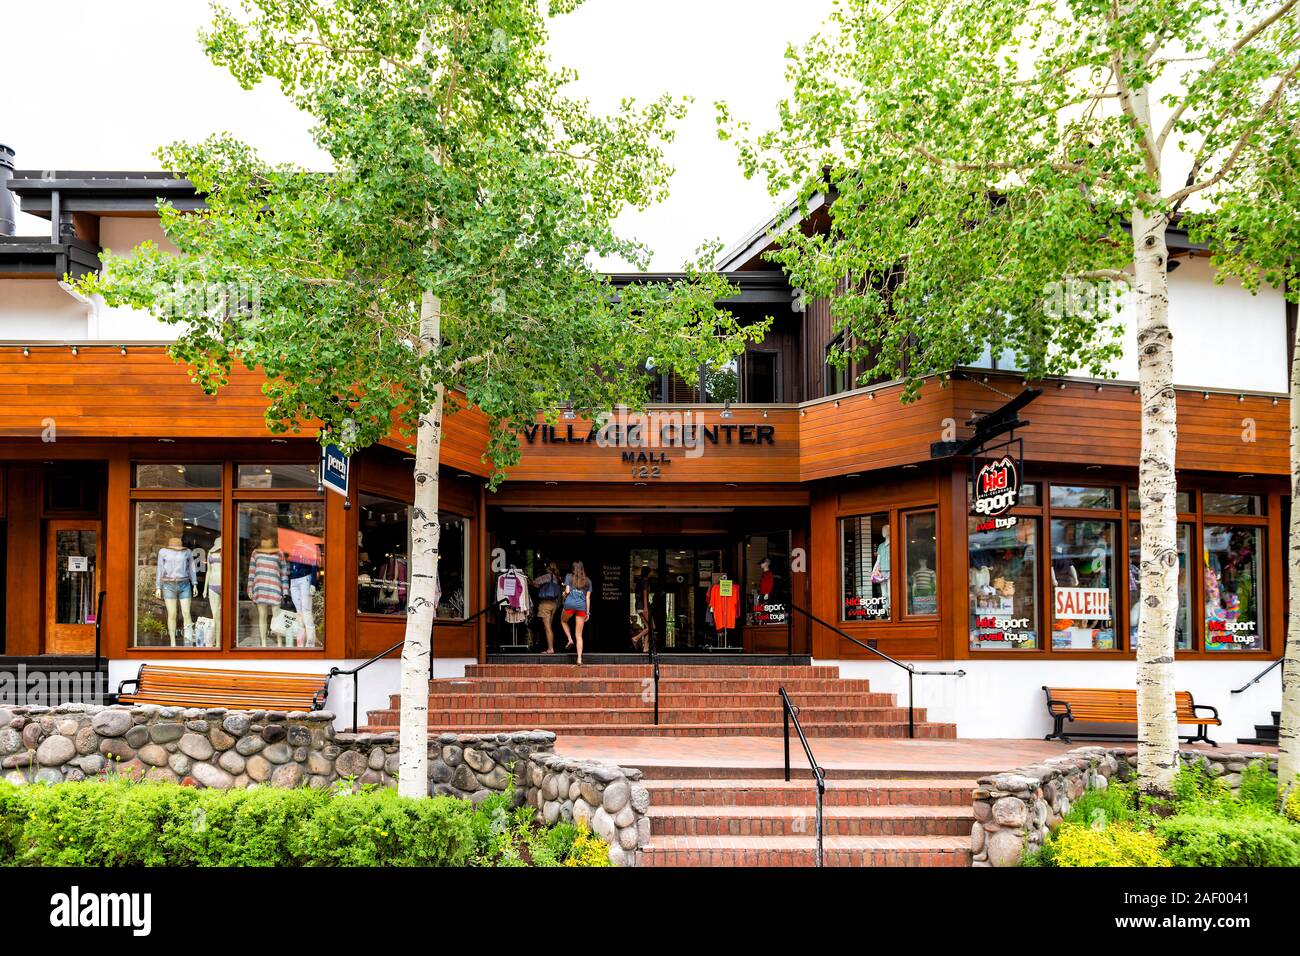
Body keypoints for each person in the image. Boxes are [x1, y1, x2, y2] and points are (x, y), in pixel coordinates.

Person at [561, 561, 592, 665]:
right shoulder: (587, 581)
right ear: (582, 568)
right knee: (579, 635)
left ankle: (569, 639)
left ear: (573, 569)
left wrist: (563, 593)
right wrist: (587, 612)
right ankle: (579, 659)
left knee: (563, 621)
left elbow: (567, 591)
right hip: (581, 607)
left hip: (569, 605)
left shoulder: (569, 577)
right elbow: (588, 598)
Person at [533, 562, 563, 654]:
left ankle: (550, 648)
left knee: (547, 627)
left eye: (546, 566)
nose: (545, 567)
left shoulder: (548, 576)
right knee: (549, 627)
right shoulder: (556, 577)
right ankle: (550, 647)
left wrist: (535, 584)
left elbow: (535, 582)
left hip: (546, 603)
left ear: (549, 568)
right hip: (554, 604)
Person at [630, 563, 653, 652]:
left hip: (639, 606)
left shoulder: (639, 582)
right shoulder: (645, 582)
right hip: (643, 607)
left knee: (647, 627)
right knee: (651, 627)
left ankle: (645, 647)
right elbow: (644, 595)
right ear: (648, 573)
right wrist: (646, 608)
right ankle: (636, 638)